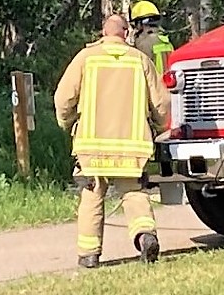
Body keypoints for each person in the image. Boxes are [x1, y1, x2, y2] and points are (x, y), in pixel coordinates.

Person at [55, 14, 172, 269]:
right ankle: (145, 236)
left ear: (102, 32)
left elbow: (63, 98)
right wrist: (160, 125)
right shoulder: (140, 60)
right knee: (134, 193)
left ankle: (89, 254)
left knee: (92, 195)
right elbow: (162, 103)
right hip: (132, 147)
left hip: (92, 147)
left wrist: (66, 122)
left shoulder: (86, 58)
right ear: (126, 33)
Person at [128, 0, 175, 74]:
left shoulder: (144, 42)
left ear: (140, 23)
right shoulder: (165, 41)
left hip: (154, 83)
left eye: (135, 24)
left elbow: (141, 70)